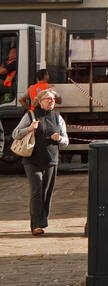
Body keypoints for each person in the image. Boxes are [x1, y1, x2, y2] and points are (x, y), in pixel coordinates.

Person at [11, 87, 68, 235]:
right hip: (32, 160)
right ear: (39, 101)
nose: (51, 101)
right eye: (48, 99)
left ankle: (42, 221)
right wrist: (29, 129)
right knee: (36, 191)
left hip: (51, 159)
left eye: (53, 99)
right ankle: (36, 225)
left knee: (47, 192)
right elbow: (15, 134)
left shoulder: (57, 117)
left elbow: (66, 141)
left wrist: (59, 139)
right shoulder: (30, 115)